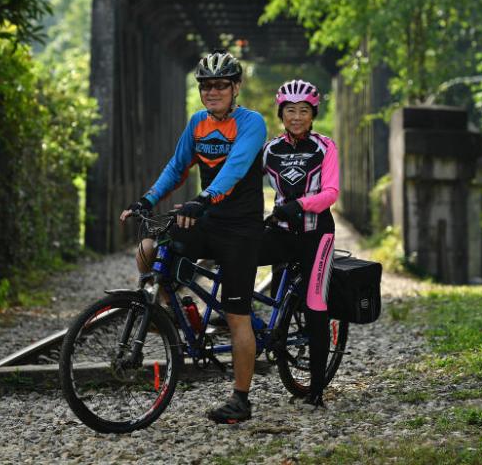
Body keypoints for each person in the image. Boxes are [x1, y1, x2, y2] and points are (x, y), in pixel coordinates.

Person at [119, 50, 266, 424]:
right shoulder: (198, 123)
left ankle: (241, 400)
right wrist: (146, 200)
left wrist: (200, 201)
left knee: (237, 317)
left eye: (220, 85)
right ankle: (179, 314)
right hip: (208, 221)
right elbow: (176, 167)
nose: (213, 92)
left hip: (241, 229)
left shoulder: (252, 123)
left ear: (235, 88)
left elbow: (234, 170)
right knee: (148, 250)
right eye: (206, 86)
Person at [260, 79, 339, 408]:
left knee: (315, 306)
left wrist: (301, 205)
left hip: (316, 233)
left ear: (312, 114)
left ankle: (317, 390)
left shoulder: (325, 147)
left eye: (303, 110)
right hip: (282, 231)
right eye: (290, 110)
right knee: (239, 258)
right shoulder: (270, 150)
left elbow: (331, 193)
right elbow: (246, 187)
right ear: (281, 113)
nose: (296, 116)